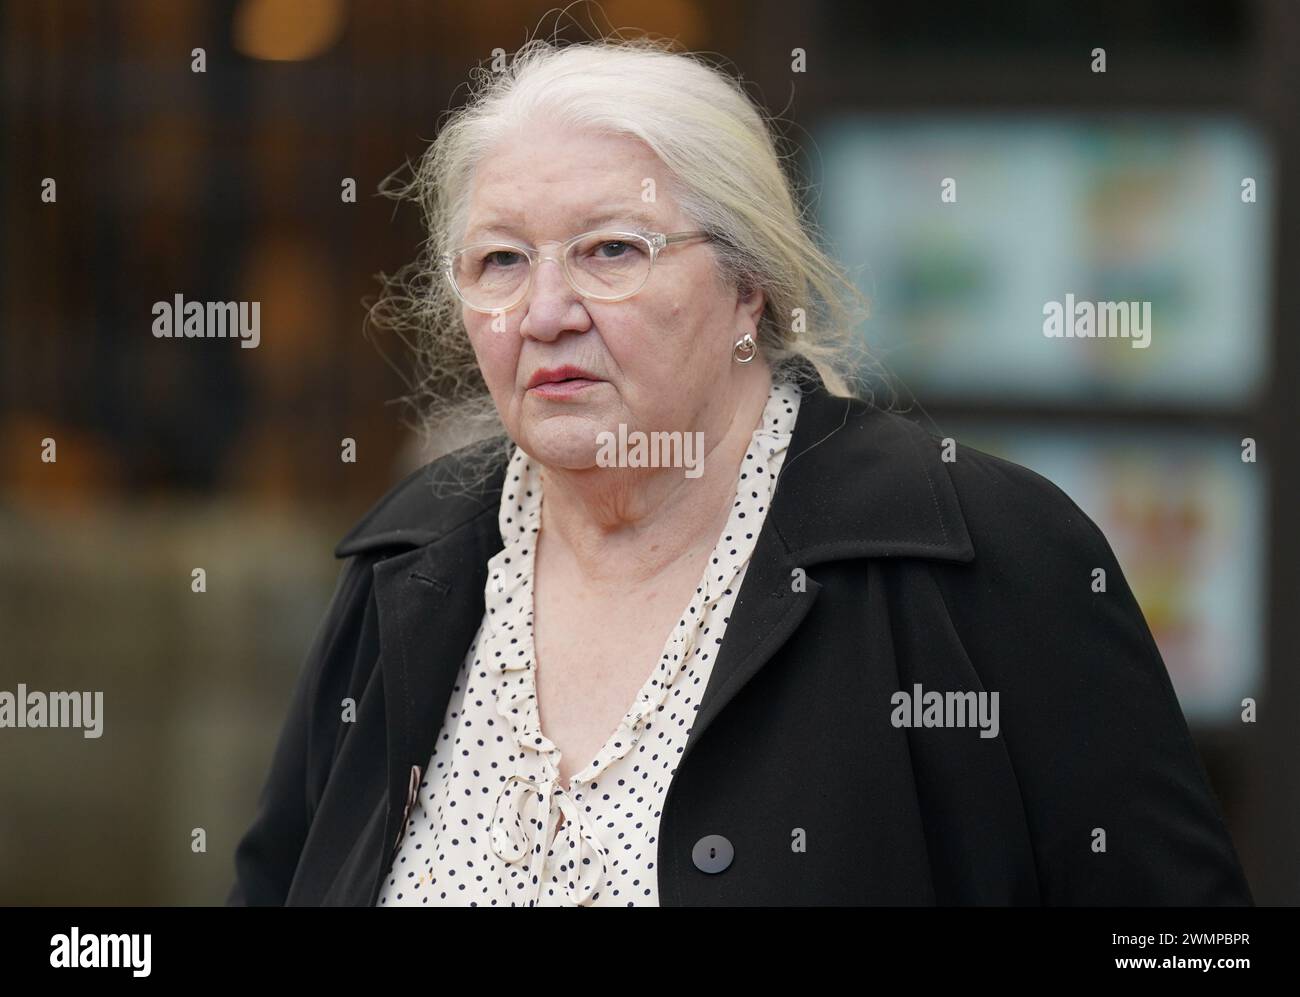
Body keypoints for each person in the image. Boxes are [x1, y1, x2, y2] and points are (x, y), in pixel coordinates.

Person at [226, 36, 1252, 906]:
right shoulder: (414, 559)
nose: (544, 313)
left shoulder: (973, 552)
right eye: (500, 261)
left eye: (611, 251)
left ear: (747, 285)